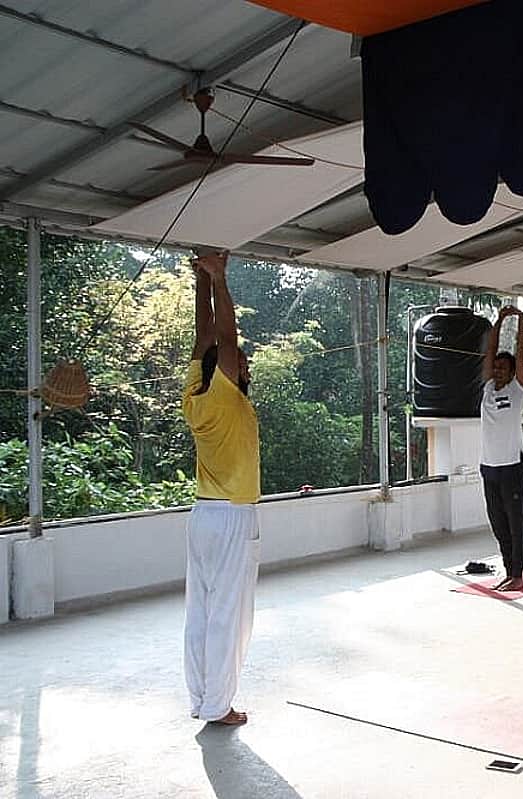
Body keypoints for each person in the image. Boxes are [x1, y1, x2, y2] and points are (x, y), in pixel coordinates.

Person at [182, 252, 260, 726]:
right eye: (242, 363)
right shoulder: (224, 396)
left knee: (202, 610)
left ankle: (202, 698)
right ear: (229, 371)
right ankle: (218, 706)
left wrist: (202, 281)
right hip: (231, 516)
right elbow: (225, 339)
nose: (245, 364)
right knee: (230, 614)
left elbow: (205, 337)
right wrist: (221, 278)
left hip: (203, 515)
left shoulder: (195, 395)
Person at [480, 305, 523, 591]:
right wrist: (498, 320)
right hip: (489, 467)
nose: (497, 370)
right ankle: (508, 569)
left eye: (503, 368)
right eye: (496, 367)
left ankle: (518, 573)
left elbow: (521, 354)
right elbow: (490, 350)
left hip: (513, 466)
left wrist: (520, 320)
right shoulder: (488, 388)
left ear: (512, 373)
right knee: (498, 523)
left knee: (514, 522)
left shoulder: (517, 390)